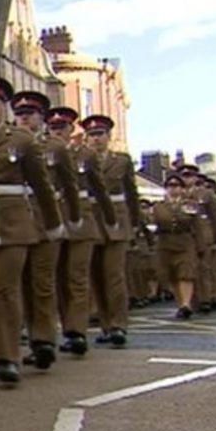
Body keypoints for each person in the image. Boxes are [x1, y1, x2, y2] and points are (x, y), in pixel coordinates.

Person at [0, 77, 63, 384]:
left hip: (13, 222)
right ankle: (0, 353)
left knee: (7, 289)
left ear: (3, 105)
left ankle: (11, 357)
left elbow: (42, 186)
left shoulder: (21, 140)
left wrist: (53, 223)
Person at [10, 92, 81, 371]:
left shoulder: (54, 147)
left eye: (30, 113)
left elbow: (70, 185)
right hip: (15, 220)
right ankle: (27, 335)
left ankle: (43, 341)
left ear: (41, 117)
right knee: (20, 283)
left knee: (42, 282)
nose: (24, 117)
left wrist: (70, 218)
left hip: (45, 220)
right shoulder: (5, 142)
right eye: (19, 113)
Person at [45, 107, 116, 355]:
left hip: (82, 220)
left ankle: (77, 332)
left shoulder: (85, 154)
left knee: (77, 277)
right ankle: (67, 328)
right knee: (58, 279)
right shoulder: (42, 151)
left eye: (62, 127)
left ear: (71, 129)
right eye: (53, 127)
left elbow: (100, 189)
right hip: (53, 218)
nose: (57, 132)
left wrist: (109, 218)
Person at [83, 115, 139, 347]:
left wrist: (135, 223)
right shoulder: (81, 159)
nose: (96, 139)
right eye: (92, 135)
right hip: (91, 218)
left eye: (100, 134)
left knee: (114, 275)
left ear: (108, 136)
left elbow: (131, 194)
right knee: (96, 276)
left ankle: (119, 325)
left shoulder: (122, 161)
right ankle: (106, 325)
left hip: (116, 219)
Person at [153, 174, 199, 319]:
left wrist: (202, 245)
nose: (173, 189)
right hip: (165, 243)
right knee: (172, 274)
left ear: (182, 189)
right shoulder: (158, 206)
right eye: (170, 186)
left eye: (177, 186)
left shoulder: (190, 205)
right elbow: (152, 225)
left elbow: (199, 226)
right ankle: (181, 304)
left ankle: (186, 304)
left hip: (185, 241)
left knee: (186, 273)